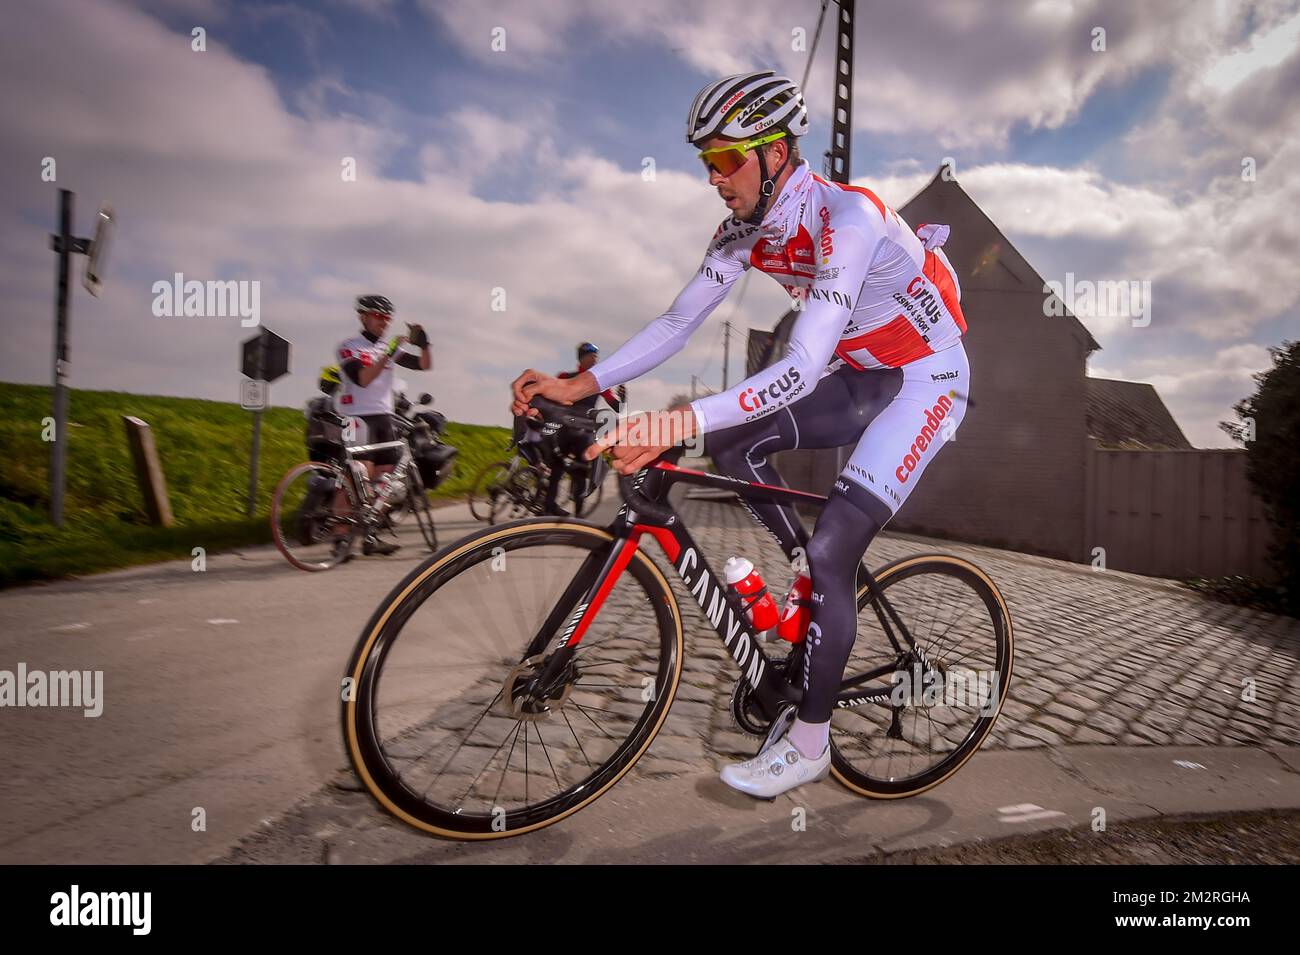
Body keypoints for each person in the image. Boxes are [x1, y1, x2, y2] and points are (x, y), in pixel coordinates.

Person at [511, 70, 970, 798]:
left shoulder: (848, 218)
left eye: (726, 159)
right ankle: (813, 586)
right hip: (861, 376)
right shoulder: (741, 232)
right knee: (734, 446)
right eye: (707, 163)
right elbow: (676, 321)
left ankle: (811, 740)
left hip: (924, 381)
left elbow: (799, 365)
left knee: (829, 550)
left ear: (778, 151)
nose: (715, 180)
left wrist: (678, 420)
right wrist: (579, 384)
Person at [334, 294, 431, 557]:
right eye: (378, 316)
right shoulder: (349, 346)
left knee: (386, 482)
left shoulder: (389, 348)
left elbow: (424, 365)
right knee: (356, 481)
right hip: (358, 417)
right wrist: (389, 352)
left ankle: (371, 536)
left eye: (387, 318)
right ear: (363, 316)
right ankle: (341, 540)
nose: (384, 322)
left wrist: (424, 344)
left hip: (384, 418)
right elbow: (363, 379)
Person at [538, 342, 626, 516]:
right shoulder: (565, 376)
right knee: (556, 470)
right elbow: (550, 399)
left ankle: (578, 517)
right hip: (564, 429)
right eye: (591, 355)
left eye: (596, 356)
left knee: (580, 474)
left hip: (583, 432)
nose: (595, 358)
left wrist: (622, 397)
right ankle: (548, 509)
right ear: (582, 358)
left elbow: (616, 407)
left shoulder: (599, 382)